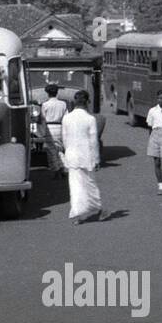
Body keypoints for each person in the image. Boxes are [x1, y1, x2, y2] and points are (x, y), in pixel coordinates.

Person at [62, 89, 102, 224]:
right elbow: (94, 141)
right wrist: (96, 159)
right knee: (90, 184)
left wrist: (67, 154)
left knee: (75, 185)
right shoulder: (90, 119)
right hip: (87, 156)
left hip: (72, 155)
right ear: (87, 102)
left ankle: (77, 215)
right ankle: (97, 209)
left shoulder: (67, 118)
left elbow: (65, 139)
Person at [40, 83, 68, 175]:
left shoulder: (45, 105)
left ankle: (56, 170)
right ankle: (64, 167)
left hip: (49, 127)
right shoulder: (63, 104)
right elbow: (66, 117)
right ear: (57, 93)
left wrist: (42, 131)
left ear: (47, 93)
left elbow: (42, 118)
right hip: (60, 127)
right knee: (59, 149)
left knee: (51, 150)